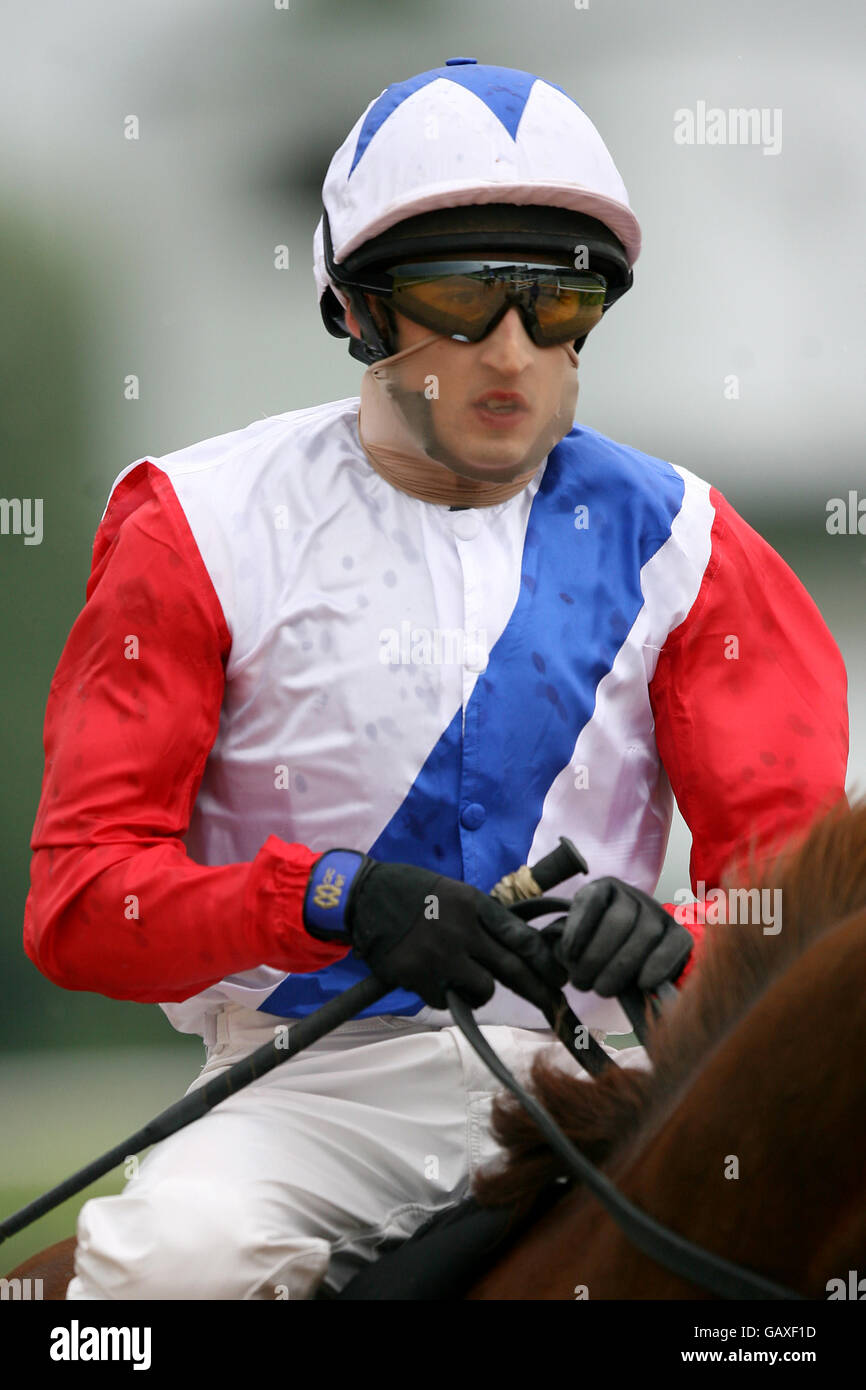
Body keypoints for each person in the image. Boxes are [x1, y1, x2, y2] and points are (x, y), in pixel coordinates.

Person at [24, 59, 848, 1301]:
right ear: (357, 311)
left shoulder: (700, 548)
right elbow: (82, 906)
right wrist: (336, 900)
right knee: (177, 1266)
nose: (512, 351)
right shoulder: (191, 523)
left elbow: (791, 918)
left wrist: (676, 937)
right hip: (308, 1102)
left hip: (608, 1079)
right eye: (464, 297)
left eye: (560, 302)